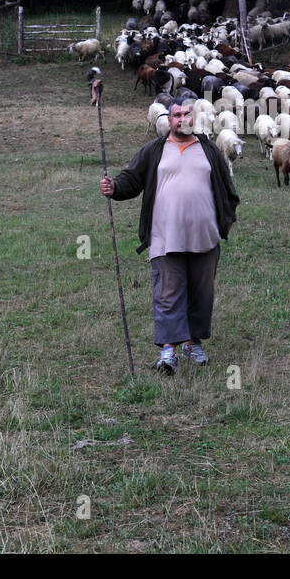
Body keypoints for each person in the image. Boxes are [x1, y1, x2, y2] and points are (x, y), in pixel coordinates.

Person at [99, 101, 239, 374]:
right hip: (165, 236)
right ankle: (168, 352)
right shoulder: (155, 150)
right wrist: (114, 186)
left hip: (205, 237)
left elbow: (228, 190)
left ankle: (192, 343)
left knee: (201, 294)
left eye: (187, 114)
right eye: (177, 115)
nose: (182, 119)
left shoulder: (209, 150)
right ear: (170, 119)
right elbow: (132, 179)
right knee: (167, 293)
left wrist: (226, 222)